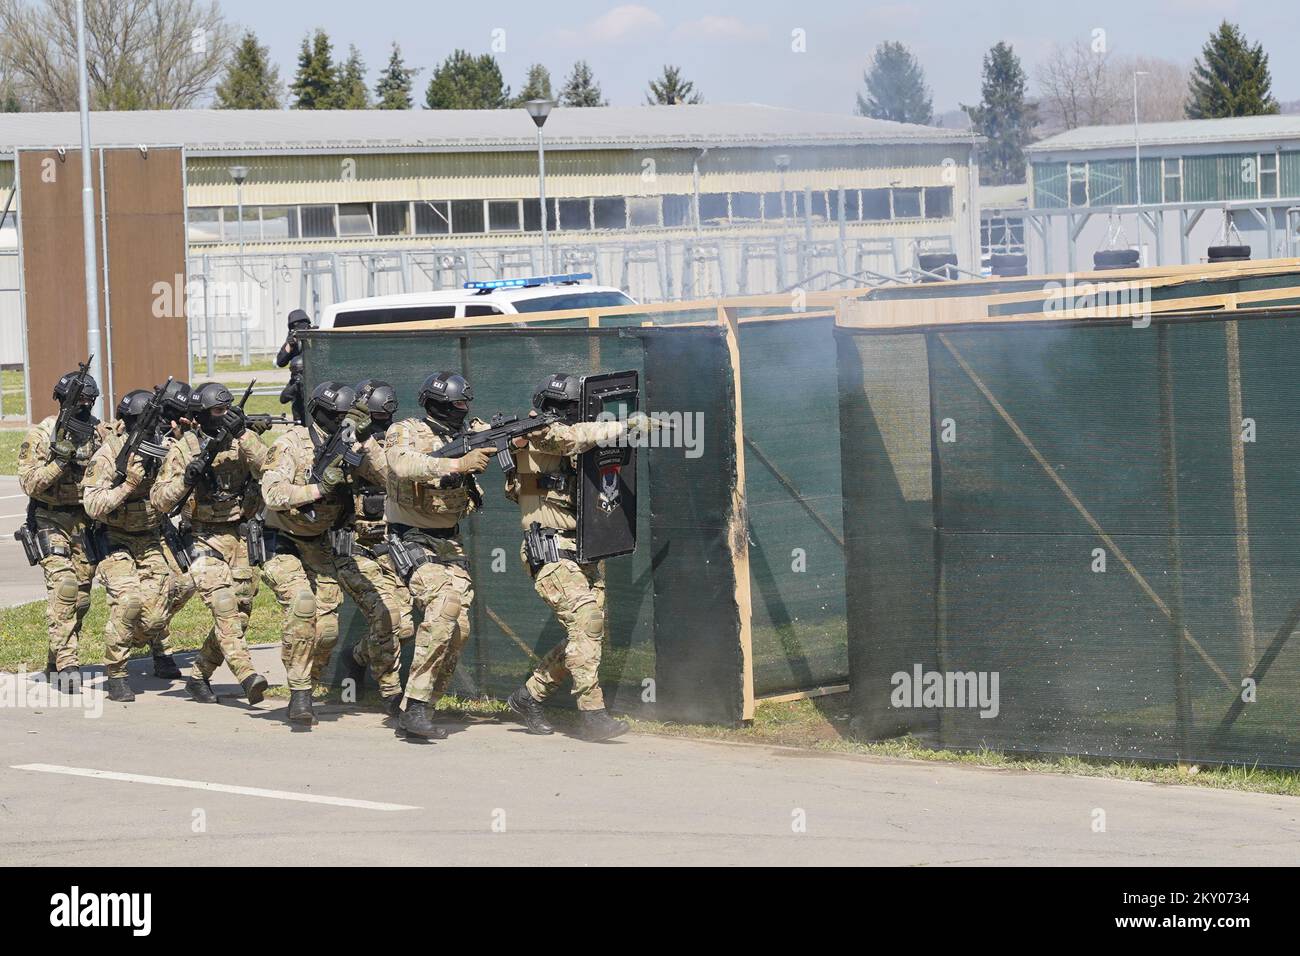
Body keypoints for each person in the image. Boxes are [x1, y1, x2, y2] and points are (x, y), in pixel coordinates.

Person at [503, 373, 656, 741]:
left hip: (584, 550)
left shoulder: (574, 440)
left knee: (587, 633)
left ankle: (529, 696)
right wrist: (622, 424)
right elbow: (565, 438)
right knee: (586, 620)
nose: (569, 416)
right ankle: (592, 713)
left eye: (574, 409)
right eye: (565, 409)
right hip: (550, 551)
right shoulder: (537, 431)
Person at [260, 381, 385, 726]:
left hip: (321, 542)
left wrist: (367, 444)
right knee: (302, 605)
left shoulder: (351, 444)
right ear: (319, 413)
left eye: (346, 416)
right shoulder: (292, 445)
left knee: (327, 628)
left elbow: (387, 478)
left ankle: (308, 684)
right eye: (335, 416)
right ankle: (299, 694)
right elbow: (272, 493)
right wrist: (317, 488)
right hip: (281, 538)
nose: (339, 421)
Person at [384, 371, 493, 739]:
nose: (463, 411)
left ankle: (422, 708)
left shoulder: (463, 433)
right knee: (444, 605)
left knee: (458, 628)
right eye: (456, 405)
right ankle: (414, 707)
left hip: (449, 541)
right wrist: (458, 464)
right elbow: (401, 464)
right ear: (437, 404)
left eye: (466, 405)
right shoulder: (405, 430)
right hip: (410, 536)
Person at [151, 382, 269, 706]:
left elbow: (270, 469)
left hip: (242, 535)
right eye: (219, 411)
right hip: (202, 537)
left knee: (241, 613)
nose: (226, 416)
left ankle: (199, 675)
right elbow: (159, 500)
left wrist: (244, 435)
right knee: (224, 606)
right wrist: (187, 478)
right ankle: (247, 676)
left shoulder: (243, 440)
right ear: (201, 417)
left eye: (229, 409)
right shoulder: (184, 448)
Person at [81, 388, 184, 701]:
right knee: (128, 602)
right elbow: (93, 505)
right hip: (114, 540)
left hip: (151, 538)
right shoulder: (109, 454)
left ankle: (147, 642)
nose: (152, 428)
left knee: (156, 614)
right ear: (128, 423)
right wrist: (128, 485)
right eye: (145, 422)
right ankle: (117, 671)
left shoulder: (162, 449)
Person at [16, 366, 105, 691]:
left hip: (85, 522)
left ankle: (55, 659)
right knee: (64, 586)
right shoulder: (43, 434)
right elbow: (28, 483)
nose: (84, 405)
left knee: (80, 599)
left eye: (89, 399)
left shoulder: (99, 433)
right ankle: (69, 665)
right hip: (49, 519)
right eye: (78, 399)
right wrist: (58, 463)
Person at [335, 380, 414, 717]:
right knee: (387, 619)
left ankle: (356, 656)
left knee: (406, 627)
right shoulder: (346, 442)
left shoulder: (391, 444)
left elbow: (394, 475)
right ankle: (391, 694)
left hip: (391, 548)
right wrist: (361, 441)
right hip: (354, 549)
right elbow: (380, 473)